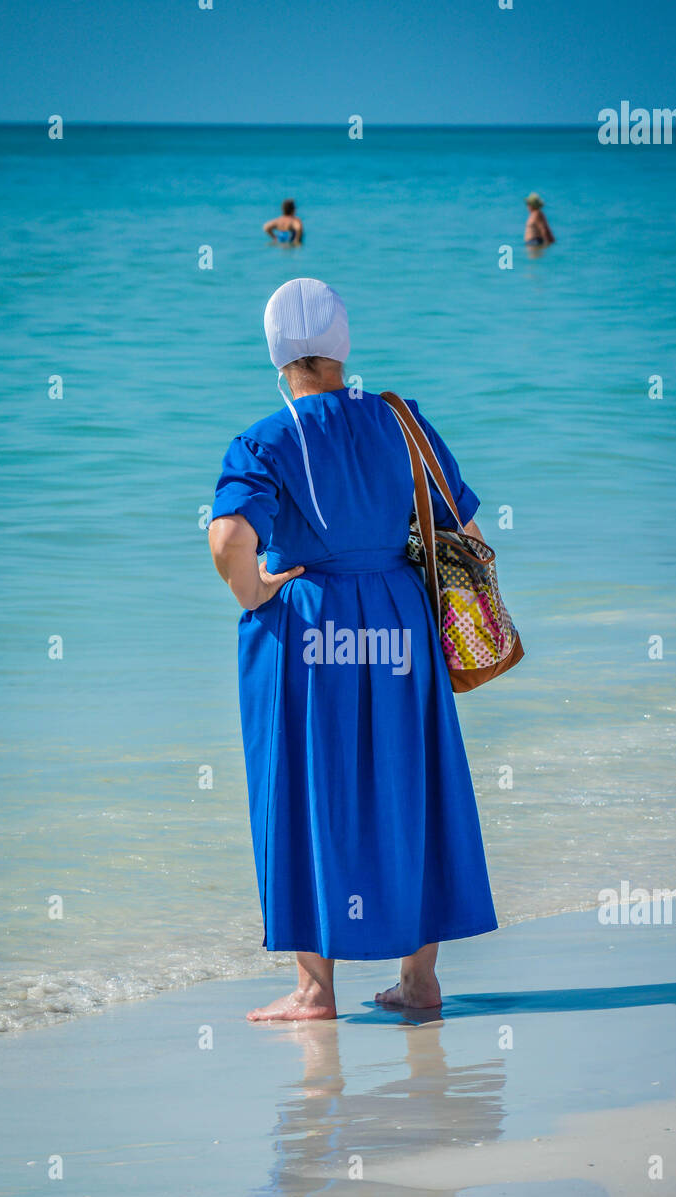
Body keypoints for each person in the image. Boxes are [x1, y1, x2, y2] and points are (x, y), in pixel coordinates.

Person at [208, 277, 499, 1022]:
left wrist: (252, 592)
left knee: (304, 789)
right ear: (342, 347)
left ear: (276, 354)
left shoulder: (264, 439)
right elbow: (460, 527)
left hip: (311, 626)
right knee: (416, 780)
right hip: (399, 619)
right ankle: (420, 982)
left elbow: (231, 538)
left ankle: (314, 991)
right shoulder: (401, 422)